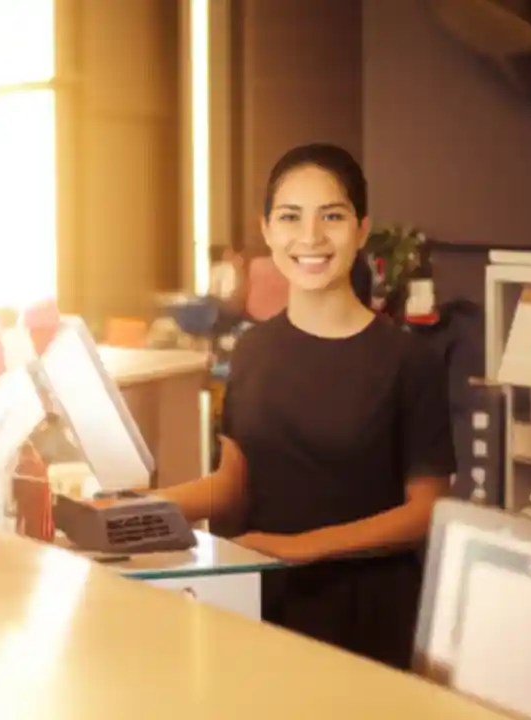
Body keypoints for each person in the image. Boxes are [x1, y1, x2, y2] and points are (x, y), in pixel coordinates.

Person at [155, 143, 456, 669]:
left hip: (368, 619)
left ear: (361, 230)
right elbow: (233, 485)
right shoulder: (252, 351)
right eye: (291, 217)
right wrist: (135, 510)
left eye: (332, 217)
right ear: (268, 230)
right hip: (265, 601)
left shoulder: (409, 360)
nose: (311, 237)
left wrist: (299, 547)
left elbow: (428, 511)